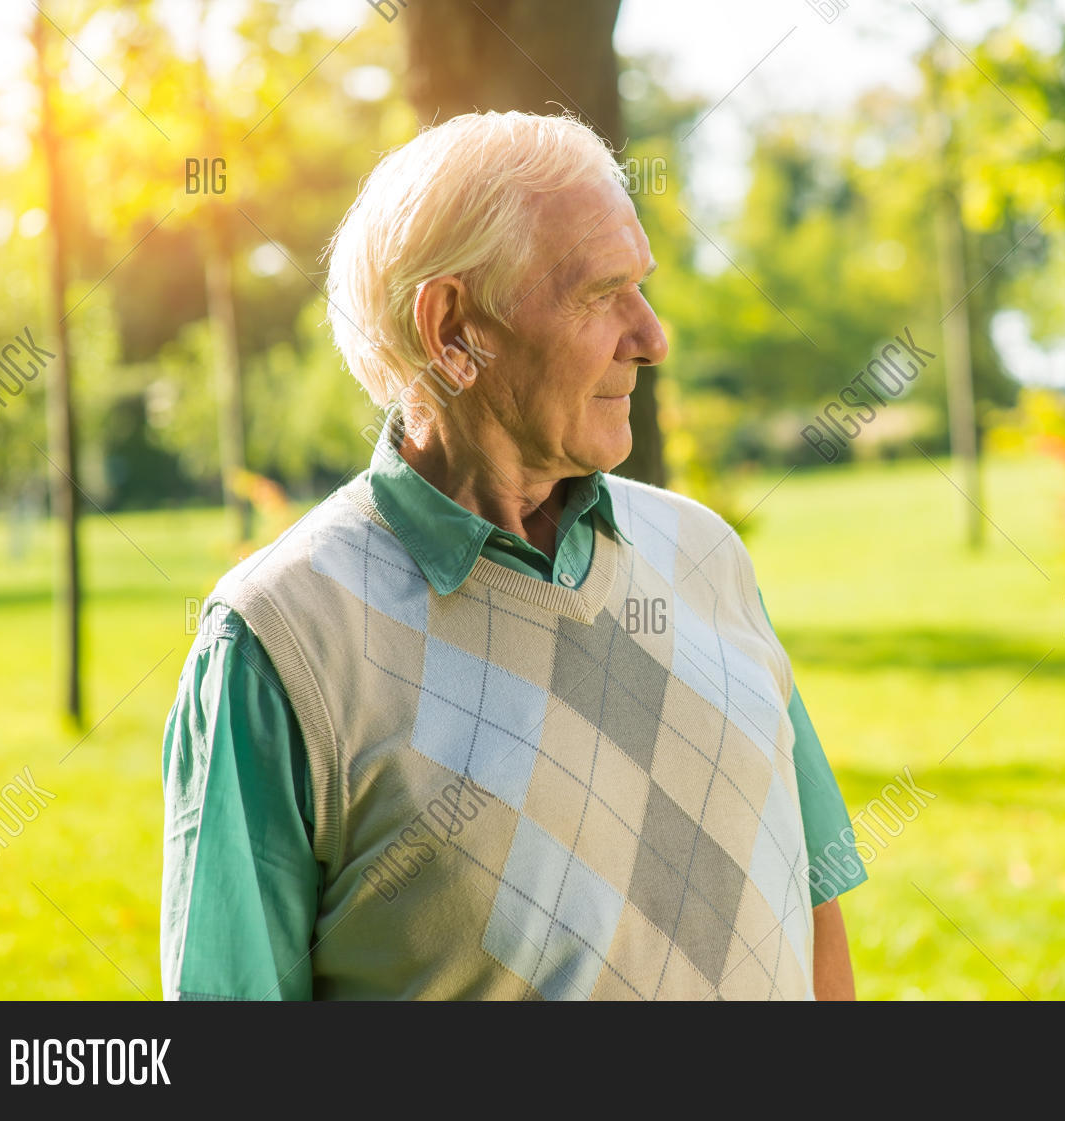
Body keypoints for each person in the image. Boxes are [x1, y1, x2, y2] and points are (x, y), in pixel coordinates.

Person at [160, 110, 865, 1000]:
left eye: (642, 287)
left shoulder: (705, 555)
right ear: (453, 329)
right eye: (600, 292)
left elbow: (809, 904)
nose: (651, 338)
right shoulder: (281, 642)